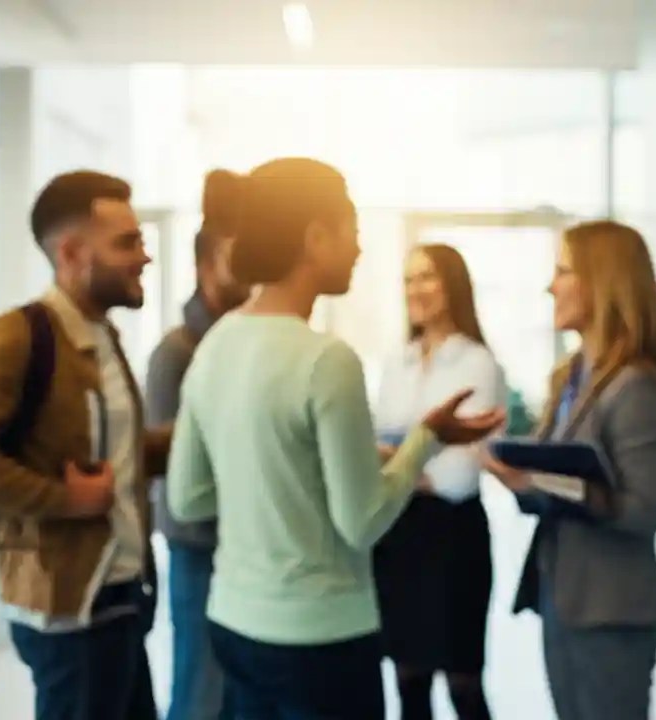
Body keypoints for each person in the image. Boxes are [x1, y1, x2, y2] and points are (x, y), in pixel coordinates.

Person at [165, 157, 505, 720]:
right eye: (352, 232)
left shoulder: (216, 346)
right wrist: (427, 438)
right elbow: (364, 519)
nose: (359, 250)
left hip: (234, 623)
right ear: (314, 237)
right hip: (319, 640)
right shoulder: (327, 360)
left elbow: (188, 497)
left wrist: (282, 481)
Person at [0, 170, 170, 720]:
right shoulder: (19, 337)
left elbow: (118, 455)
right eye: (126, 243)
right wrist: (64, 500)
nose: (143, 257)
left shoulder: (102, 335)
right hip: (70, 615)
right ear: (70, 252)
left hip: (119, 599)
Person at [482, 220, 656, 720]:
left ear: (601, 282)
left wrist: (546, 484)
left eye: (563, 271)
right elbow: (550, 489)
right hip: (564, 597)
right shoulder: (570, 376)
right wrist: (517, 478)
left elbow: (644, 510)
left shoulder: (635, 387)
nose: (551, 286)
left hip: (612, 609)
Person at [372, 244, 506, 720]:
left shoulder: (476, 363)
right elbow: (375, 445)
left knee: (463, 683)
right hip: (400, 536)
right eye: (409, 279)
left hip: (453, 538)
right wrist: (414, 458)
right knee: (408, 681)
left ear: (453, 285)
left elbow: (459, 474)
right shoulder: (397, 362)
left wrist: (401, 461)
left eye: (427, 277)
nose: (416, 289)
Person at [146, 169, 251, 720]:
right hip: (198, 551)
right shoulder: (177, 353)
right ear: (207, 263)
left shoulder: (241, 342)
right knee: (200, 696)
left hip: (240, 553)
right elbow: (170, 468)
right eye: (241, 258)